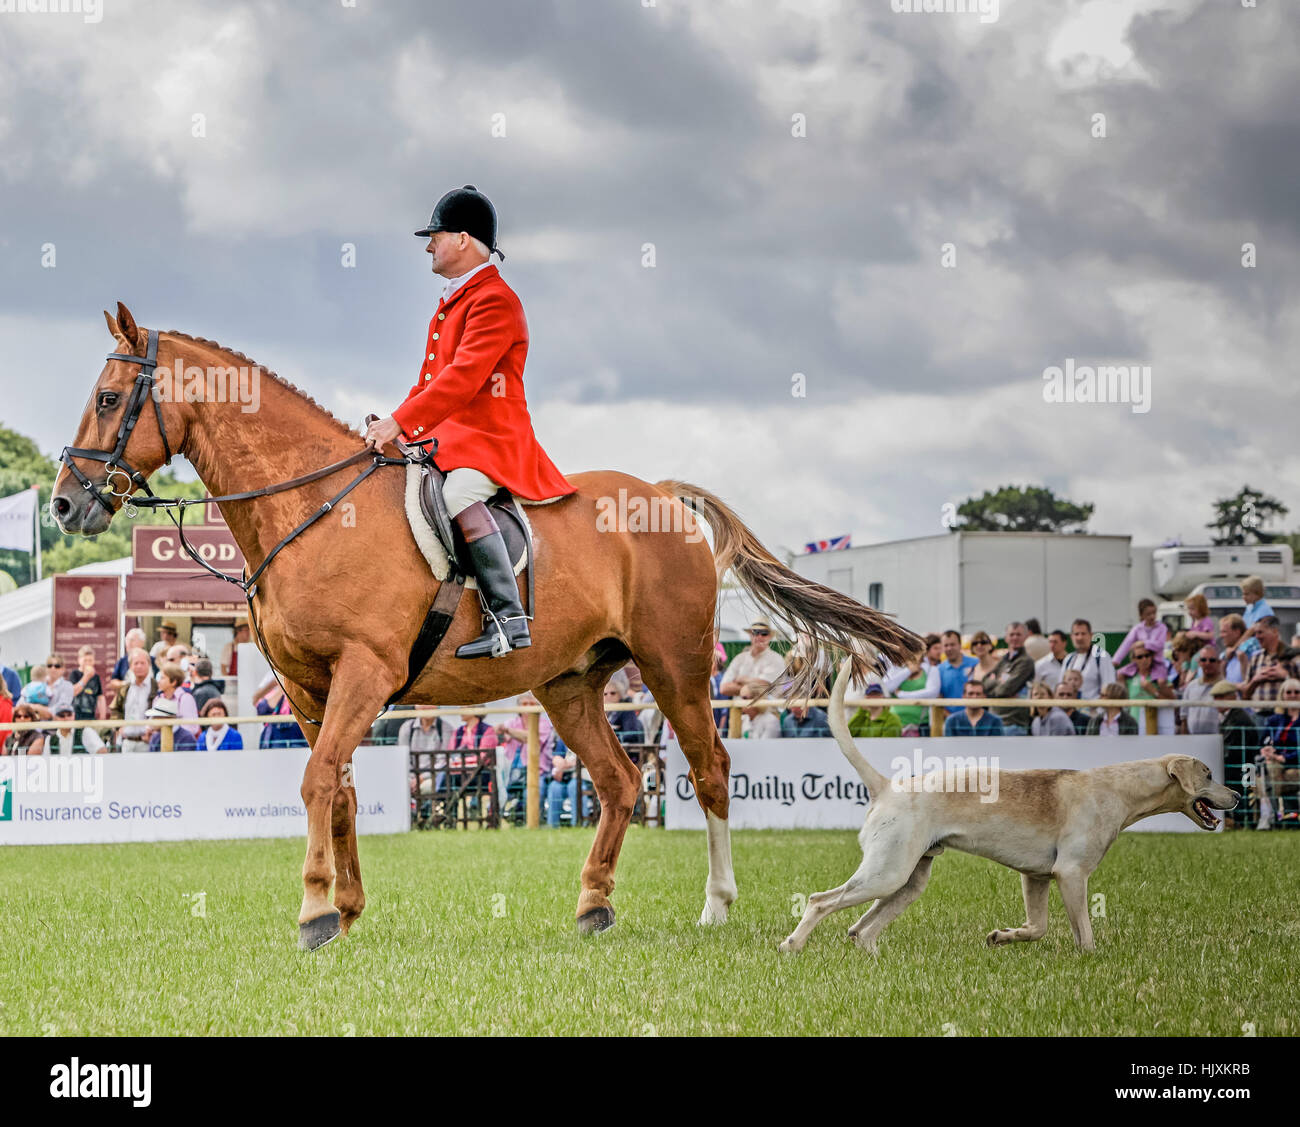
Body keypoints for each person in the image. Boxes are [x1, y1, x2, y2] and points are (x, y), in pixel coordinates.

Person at [363, 185, 576, 658]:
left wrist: (399, 422)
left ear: (462, 238)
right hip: (449, 439)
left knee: (458, 493)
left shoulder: (495, 300)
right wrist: (398, 427)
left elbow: (462, 380)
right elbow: (428, 383)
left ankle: (507, 618)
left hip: (491, 440)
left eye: (434, 236)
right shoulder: (455, 300)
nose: (428, 246)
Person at [1212, 681, 1262, 825]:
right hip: (1244, 765)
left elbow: (1231, 748)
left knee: (1242, 795)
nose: (1216, 701)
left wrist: (1217, 762)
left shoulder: (1237, 718)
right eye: (1216, 697)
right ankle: (1240, 821)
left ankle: (1241, 822)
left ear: (1233, 697)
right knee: (1242, 794)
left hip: (1242, 767)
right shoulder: (1231, 716)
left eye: (1220, 697)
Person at [982, 622, 1034, 735]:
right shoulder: (1004, 659)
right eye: (1012, 634)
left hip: (1014, 723)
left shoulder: (1026, 661)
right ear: (1006, 638)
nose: (1015, 638)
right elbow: (984, 682)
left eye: (1018, 634)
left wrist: (995, 684)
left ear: (1026, 637)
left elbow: (1004, 690)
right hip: (995, 721)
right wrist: (999, 682)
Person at [1260, 679, 1300, 824]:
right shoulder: (1275, 719)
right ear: (1282, 695)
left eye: (1297, 692)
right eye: (1289, 692)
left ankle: (1273, 816)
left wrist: (1283, 758)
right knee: (1269, 766)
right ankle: (1279, 815)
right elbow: (1262, 740)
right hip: (1274, 762)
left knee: (1268, 774)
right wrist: (1266, 749)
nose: (1293, 695)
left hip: (1294, 762)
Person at [1241, 615, 1300, 708]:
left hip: (1283, 716)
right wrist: (1255, 680)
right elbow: (1245, 695)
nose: (1256, 637)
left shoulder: (1293, 658)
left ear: (1275, 631)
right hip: (1259, 716)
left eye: (1260, 632)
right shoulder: (1255, 658)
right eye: (1255, 633)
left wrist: (1286, 676)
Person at [1118, 642, 1175, 734]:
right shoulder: (1128, 678)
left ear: (1152, 657)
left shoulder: (1160, 679)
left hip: (1155, 728)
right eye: (1140, 657)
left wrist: (1153, 691)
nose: (1144, 659)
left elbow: (1173, 704)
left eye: (1147, 655)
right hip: (1133, 727)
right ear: (1134, 660)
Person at [720, 619, 788, 695]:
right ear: (750, 635)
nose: (759, 636)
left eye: (764, 633)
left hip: (766, 706)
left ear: (770, 636)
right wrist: (752, 688)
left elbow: (765, 685)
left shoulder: (776, 659)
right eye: (755, 632)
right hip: (739, 706)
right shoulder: (739, 658)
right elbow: (723, 688)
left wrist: (741, 680)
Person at [110, 648, 156, 754]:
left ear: (149, 665)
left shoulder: (156, 687)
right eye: (136, 663)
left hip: (148, 743)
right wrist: (119, 728)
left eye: (142, 663)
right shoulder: (125, 688)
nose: (139, 666)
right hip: (127, 742)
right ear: (130, 666)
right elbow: (115, 709)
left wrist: (153, 731)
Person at [1061, 618, 1117, 704]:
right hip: (1071, 711)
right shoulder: (1069, 659)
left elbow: (1109, 687)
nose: (1080, 638)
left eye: (1083, 634)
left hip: (1094, 712)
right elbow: (1061, 686)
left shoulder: (1101, 656)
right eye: (1076, 634)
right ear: (1071, 637)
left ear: (1091, 635)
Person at [1179, 646, 1224, 736]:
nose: (1207, 663)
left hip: (1217, 740)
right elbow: (1184, 716)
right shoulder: (1191, 686)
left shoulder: (1225, 687)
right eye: (1203, 660)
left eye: (1212, 660)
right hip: (1192, 740)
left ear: (1219, 663)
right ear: (1199, 663)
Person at [1113, 598, 1168, 668]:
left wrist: (1143, 643)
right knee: (1120, 674)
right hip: (1140, 666)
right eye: (1148, 614)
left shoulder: (1162, 627)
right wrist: (1115, 661)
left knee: (1160, 679)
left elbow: (1160, 645)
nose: (1152, 616)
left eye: (1154, 613)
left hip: (1157, 664)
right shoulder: (1137, 628)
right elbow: (1126, 644)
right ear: (1141, 615)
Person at [153, 663, 199, 739]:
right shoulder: (157, 699)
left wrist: (171, 730)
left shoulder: (186, 698)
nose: (159, 681)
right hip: (160, 744)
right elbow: (153, 723)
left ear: (173, 682)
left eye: (163, 678)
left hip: (180, 745)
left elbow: (192, 727)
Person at [937, 630, 978, 714]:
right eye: (946, 645)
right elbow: (939, 697)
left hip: (975, 719)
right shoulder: (939, 670)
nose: (949, 648)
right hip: (951, 720)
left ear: (960, 645)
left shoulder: (976, 663)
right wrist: (950, 718)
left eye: (952, 644)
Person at [603, 672, 645, 745]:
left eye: (613, 693)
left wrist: (614, 738)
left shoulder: (626, 710)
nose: (608, 696)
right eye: (605, 694)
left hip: (623, 749)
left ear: (620, 694)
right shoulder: (603, 712)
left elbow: (632, 735)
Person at [110, 629, 156, 693]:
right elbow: (113, 682)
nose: (128, 643)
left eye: (132, 640)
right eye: (127, 640)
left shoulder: (153, 661)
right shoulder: (122, 661)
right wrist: (127, 684)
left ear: (142, 642)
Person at [1238, 575, 1273, 660]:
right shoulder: (1249, 609)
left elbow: (1250, 632)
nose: (1243, 597)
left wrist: (1235, 647)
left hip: (1255, 651)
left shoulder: (1265, 610)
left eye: (1247, 594)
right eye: (1243, 594)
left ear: (1257, 594)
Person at [70, 645, 103, 727]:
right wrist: (86, 676)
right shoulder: (74, 674)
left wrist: (102, 716)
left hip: (91, 717)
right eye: (85, 660)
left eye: (90, 660)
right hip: (75, 717)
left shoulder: (96, 677)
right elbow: (73, 692)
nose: (88, 663)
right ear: (79, 660)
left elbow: (100, 697)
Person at [1218, 613, 1248, 685]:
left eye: (1224, 632)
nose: (1221, 636)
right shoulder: (1223, 655)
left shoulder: (1249, 651)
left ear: (1237, 632)